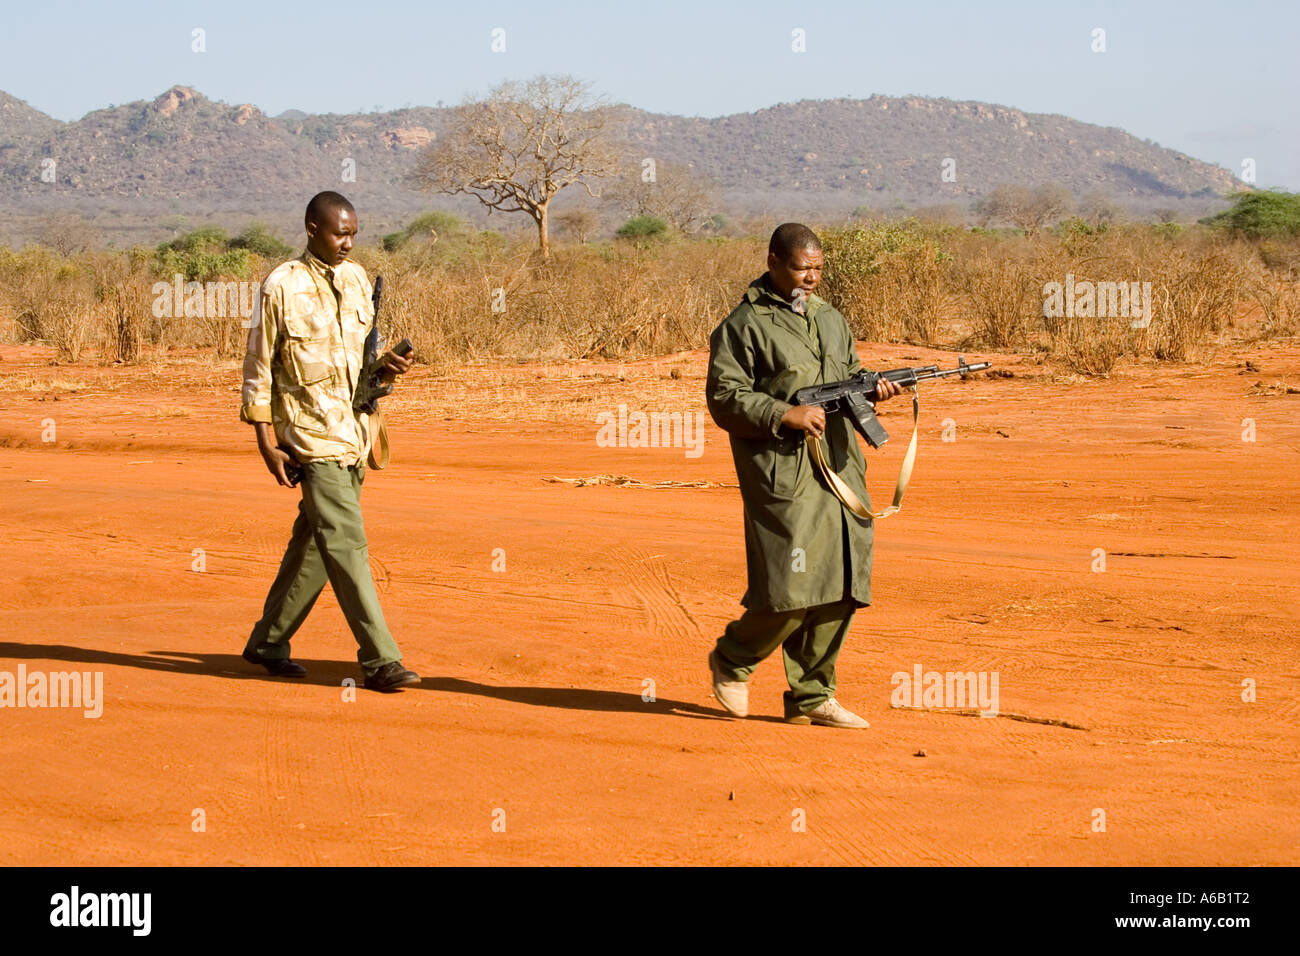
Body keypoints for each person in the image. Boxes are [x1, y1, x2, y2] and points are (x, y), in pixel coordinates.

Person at [705, 222, 902, 728]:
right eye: (800, 268)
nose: (810, 277)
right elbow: (725, 397)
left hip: (840, 468)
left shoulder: (830, 319)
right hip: (784, 473)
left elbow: (848, 375)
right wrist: (780, 414)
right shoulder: (743, 326)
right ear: (773, 261)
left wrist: (873, 391)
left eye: (817, 268)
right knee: (790, 588)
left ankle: (813, 695)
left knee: (842, 584)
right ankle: (733, 659)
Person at [238, 190, 419, 692]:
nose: (348, 243)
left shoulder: (358, 280)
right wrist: (265, 441)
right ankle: (381, 659)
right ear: (312, 229)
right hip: (310, 436)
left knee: (315, 545)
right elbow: (257, 366)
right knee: (346, 543)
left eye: (354, 235)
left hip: (354, 432)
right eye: (340, 233)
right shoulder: (280, 285)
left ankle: (268, 642)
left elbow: (361, 362)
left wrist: (388, 369)